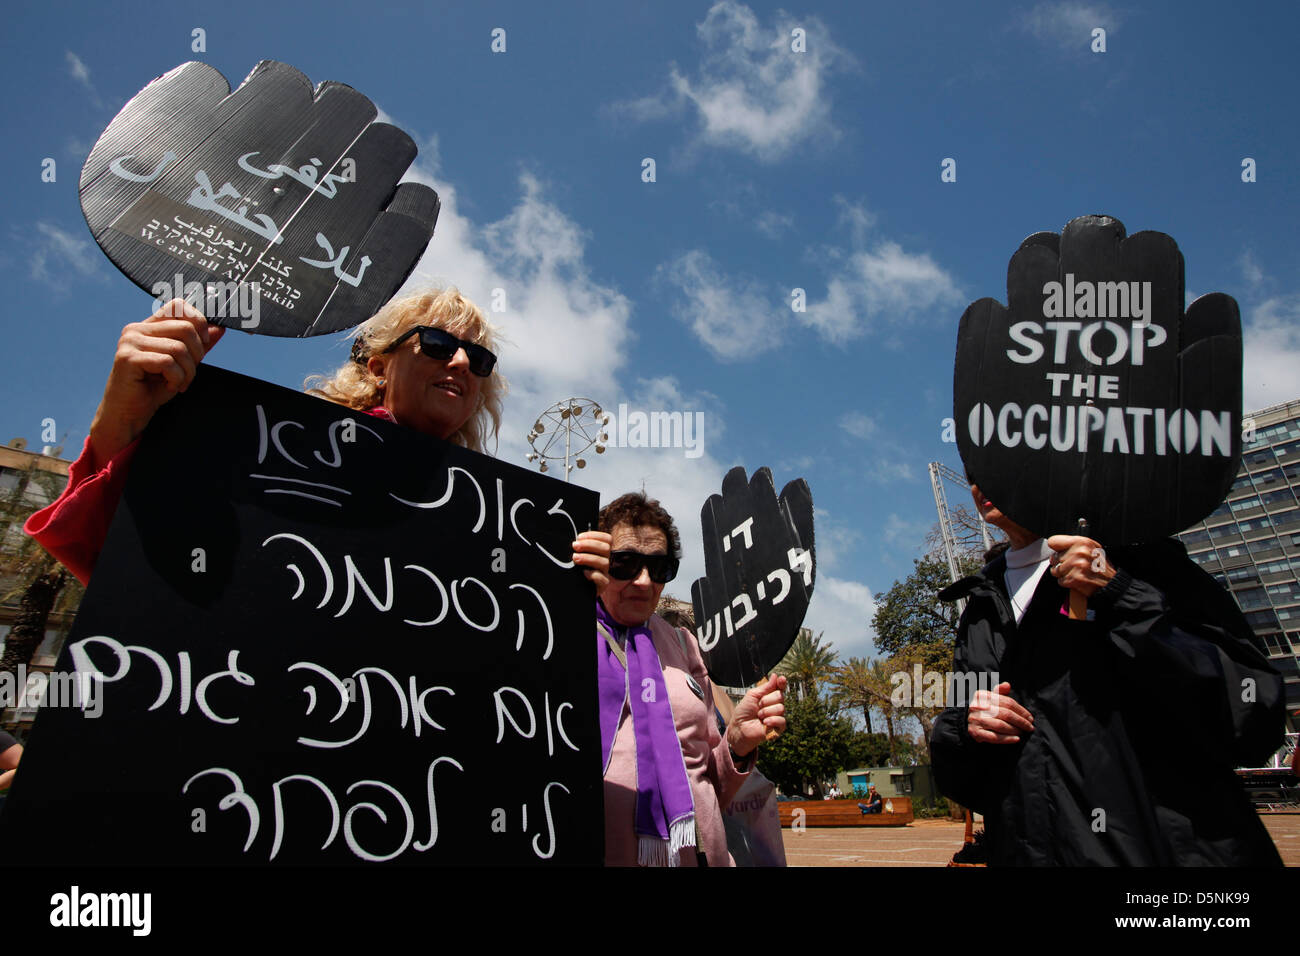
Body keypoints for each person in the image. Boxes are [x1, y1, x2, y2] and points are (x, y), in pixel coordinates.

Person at [26, 288, 506, 583]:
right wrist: (121, 425)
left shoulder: (497, 521)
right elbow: (137, 563)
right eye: (438, 344)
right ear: (379, 368)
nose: (461, 362)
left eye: (478, 359)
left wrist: (577, 596)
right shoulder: (277, 450)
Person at [931, 482, 1285, 866]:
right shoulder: (980, 606)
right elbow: (970, 783)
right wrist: (966, 728)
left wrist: (1122, 593)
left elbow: (1253, 719)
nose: (979, 481)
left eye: (994, 458)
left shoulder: (1145, 562)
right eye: (971, 467)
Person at [579, 491, 786, 866]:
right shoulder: (557, 631)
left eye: (659, 568)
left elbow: (712, 783)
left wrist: (737, 743)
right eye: (625, 563)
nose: (643, 581)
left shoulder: (683, 643)